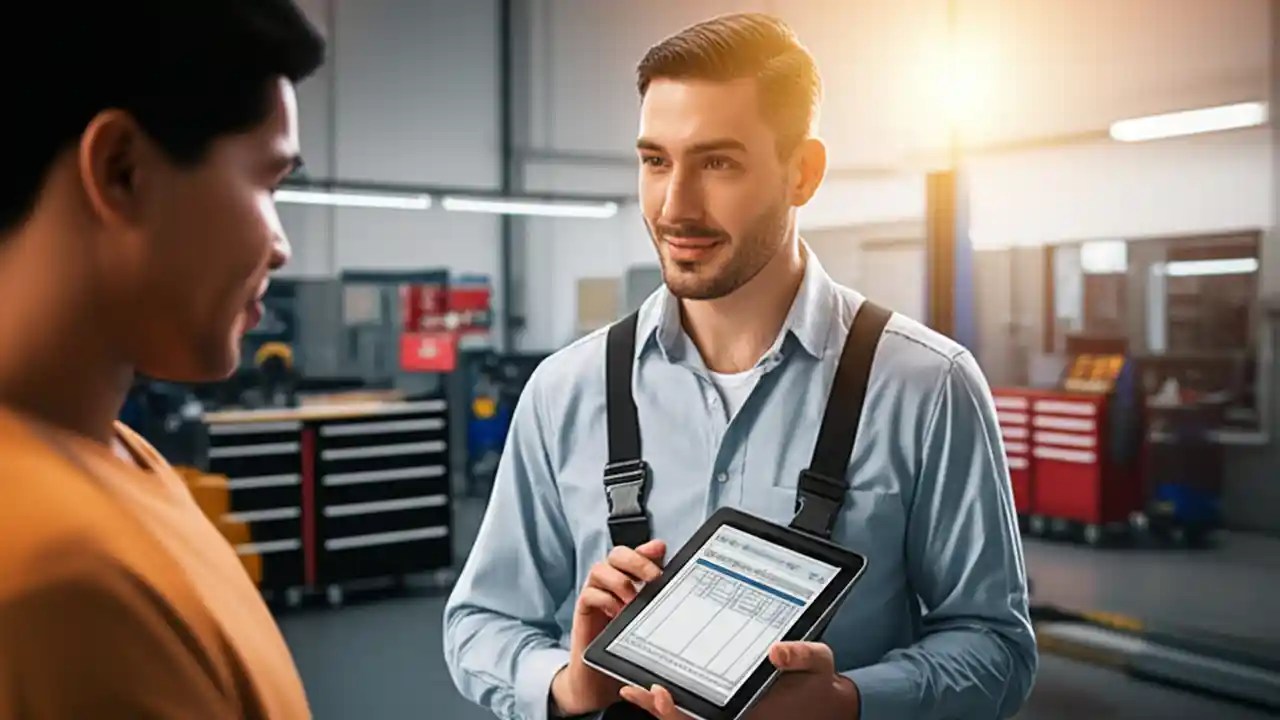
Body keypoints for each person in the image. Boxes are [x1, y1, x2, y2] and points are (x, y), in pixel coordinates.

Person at [444, 12, 1036, 720]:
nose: (674, 205)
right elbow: (479, 622)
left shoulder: (927, 386)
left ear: (802, 173)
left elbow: (996, 646)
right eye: (656, 160)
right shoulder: (565, 392)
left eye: (717, 162)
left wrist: (847, 701)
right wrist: (567, 683)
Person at [0, 1, 325, 717]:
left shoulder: (124, 456)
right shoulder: (53, 581)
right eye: (268, 184)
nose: (281, 245)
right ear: (121, 171)